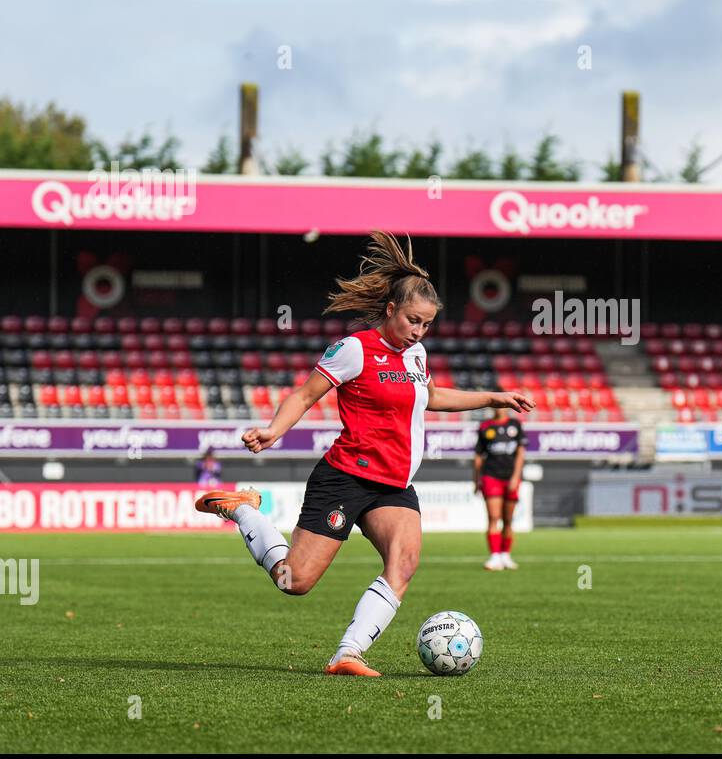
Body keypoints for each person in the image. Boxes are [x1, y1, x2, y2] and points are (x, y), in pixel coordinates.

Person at [193, 231, 534, 677]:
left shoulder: (417, 355)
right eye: (413, 320)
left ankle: (347, 653)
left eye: (427, 324)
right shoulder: (355, 350)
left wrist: (493, 398)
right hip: (345, 478)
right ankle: (244, 511)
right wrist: (274, 430)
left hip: (394, 486)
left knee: (405, 561)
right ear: (391, 310)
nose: (419, 330)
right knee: (294, 582)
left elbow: (431, 397)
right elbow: (304, 394)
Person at [473, 403, 525, 571]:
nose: (499, 409)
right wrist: (476, 481)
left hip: (510, 477)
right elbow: (478, 457)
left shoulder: (515, 425)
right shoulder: (485, 427)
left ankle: (505, 555)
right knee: (493, 517)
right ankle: (494, 557)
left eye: (502, 406)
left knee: (508, 520)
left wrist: (516, 477)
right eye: (496, 405)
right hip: (491, 476)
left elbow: (520, 453)